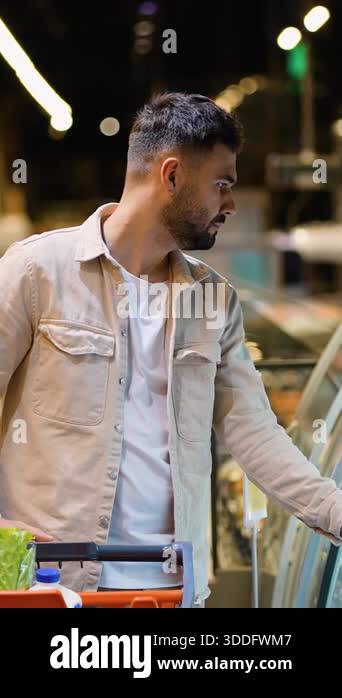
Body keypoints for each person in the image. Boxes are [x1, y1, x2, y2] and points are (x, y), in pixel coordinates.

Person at [0, 92, 341, 608]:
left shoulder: (214, 300)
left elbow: (257, 437)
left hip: (174, 594)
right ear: (173, 175)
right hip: (53, 589)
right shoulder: (35, 272)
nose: (230, 203)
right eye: (222, 184)